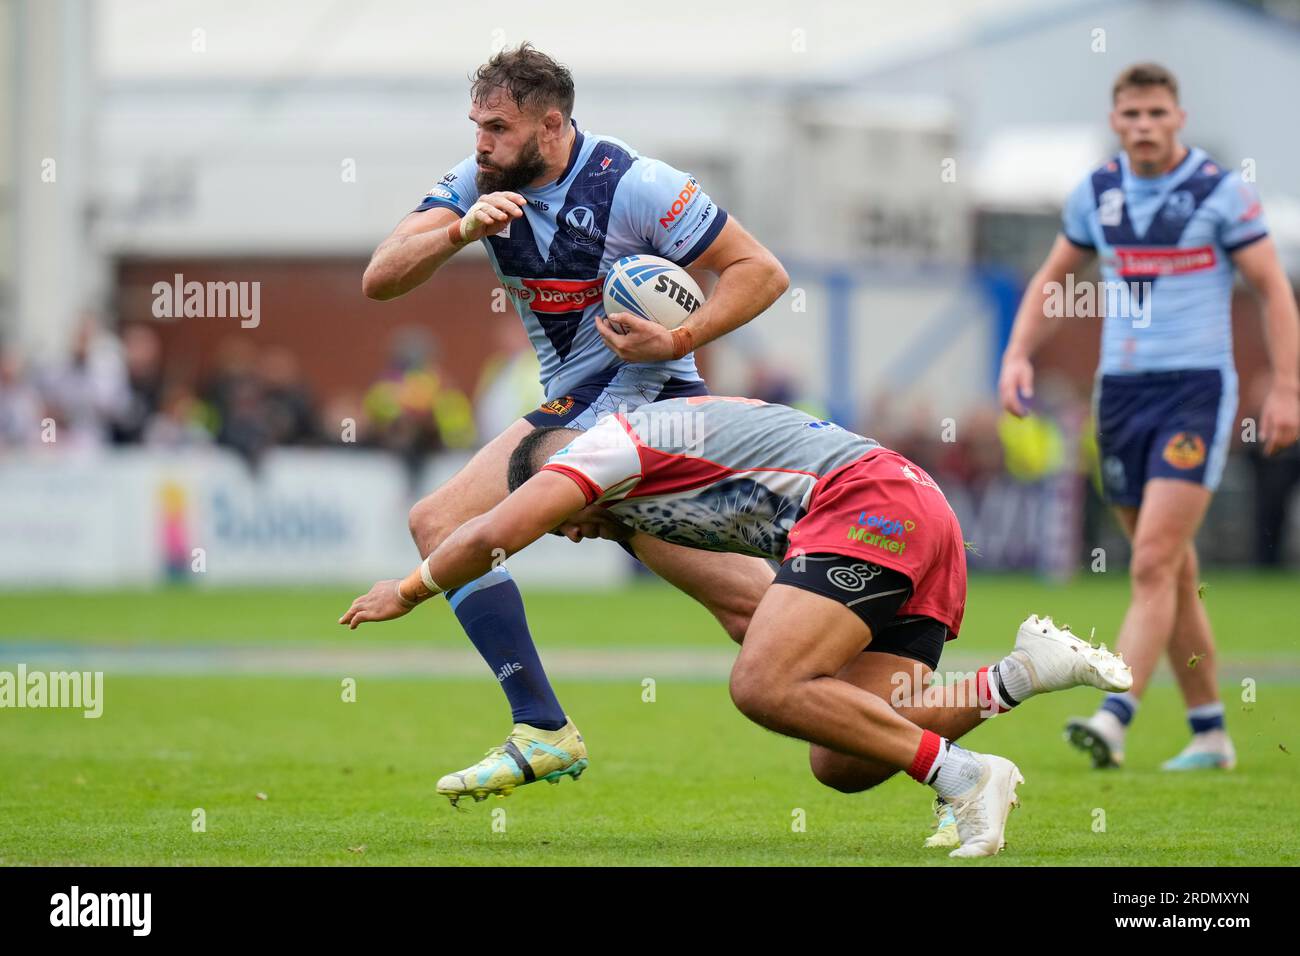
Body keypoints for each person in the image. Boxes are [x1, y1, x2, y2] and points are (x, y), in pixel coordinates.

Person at [340, 396, 1132, 857]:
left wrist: (406, 591)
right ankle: (1024, 673)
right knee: (844, 758)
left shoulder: (599, 450)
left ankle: (965, 776)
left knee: (762, 682)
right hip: (915, 516)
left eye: (562, 522)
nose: (571, 533)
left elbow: (485, 536)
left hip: (869, 505)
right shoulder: (639, 483)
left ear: (559, 474)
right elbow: (734, 586)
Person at [360, 44, 788, 802]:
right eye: (476, 126)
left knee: (757, 617)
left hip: (649, 407)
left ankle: (935, 722)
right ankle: (543, 728)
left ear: (551, 125)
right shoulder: (477, 186)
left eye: (497, 127)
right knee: (756, 614)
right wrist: (457, 233)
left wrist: (680, 337)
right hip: (580, 411)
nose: (480, 144)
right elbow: (380, 277)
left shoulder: (637, 184)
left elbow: (760, 270)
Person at [997, 63, 1300, 770]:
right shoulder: (1098, 193)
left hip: (1195, 391)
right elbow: (1051, 279)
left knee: (1154, 563)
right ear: (1116, 122)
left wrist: (1287, 386)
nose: (1144, 127)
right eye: (1131, 115)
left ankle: (1114, 716)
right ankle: (1211, 731)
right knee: (1169, 568)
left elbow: (1273, 291)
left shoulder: (1220, 192)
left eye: (1157, 114)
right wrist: (1017, 356)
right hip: (1121, 395)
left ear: (1179, 119)